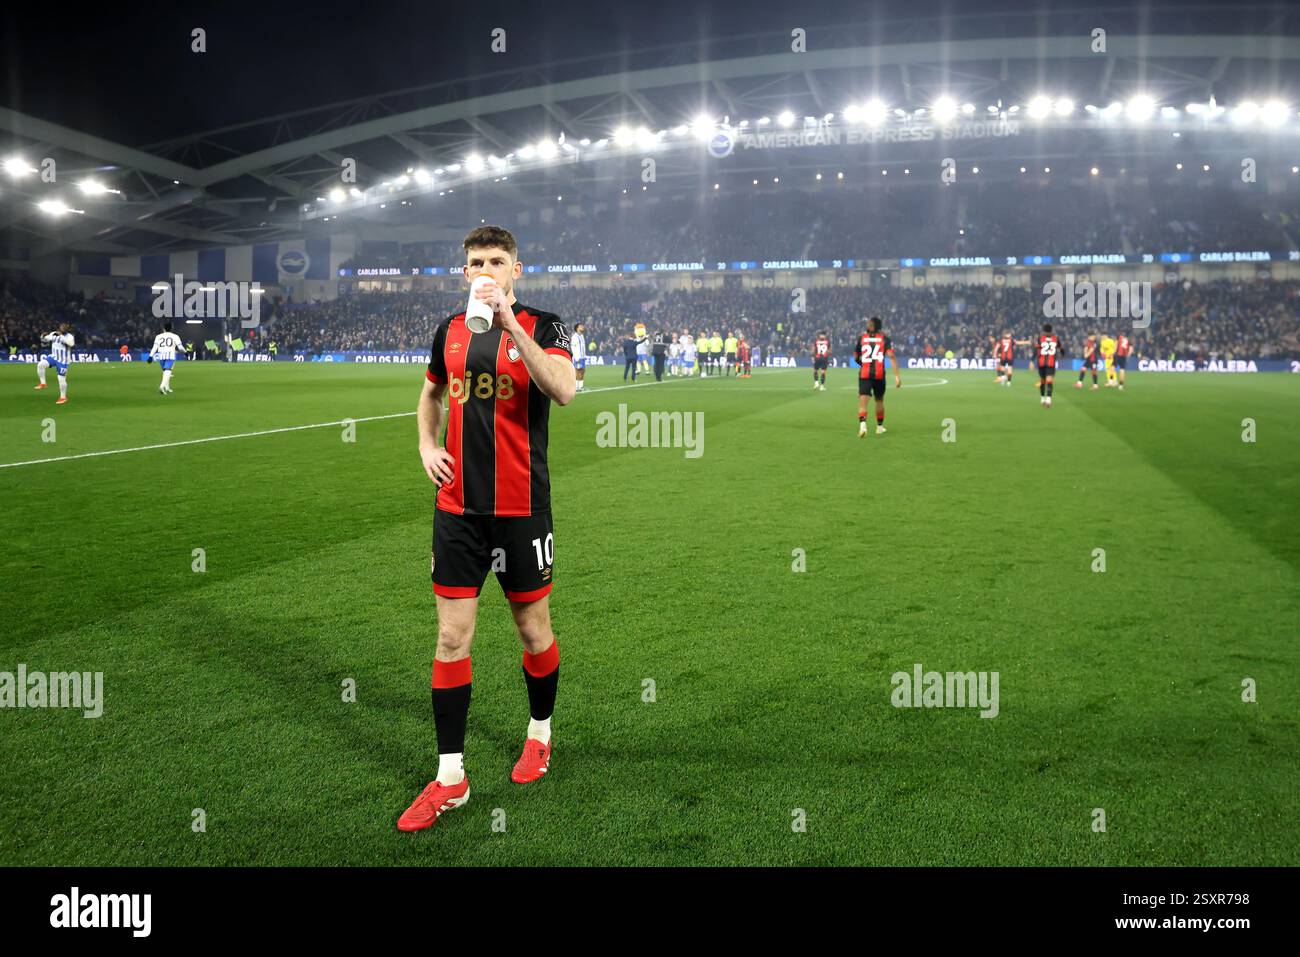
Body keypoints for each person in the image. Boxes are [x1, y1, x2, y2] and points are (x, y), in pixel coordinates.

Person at [402, 225, 575, 833]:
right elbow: (430, 394)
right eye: (476, 262)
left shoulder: (547, 325)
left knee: (532, 629)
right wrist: (427, 444)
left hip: (523, 508)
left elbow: (564, 391)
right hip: (458, 512)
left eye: (496, 262)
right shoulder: (447, 331)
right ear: (464, 269)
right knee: (451, 639)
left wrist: (511, 325)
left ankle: (539, 734)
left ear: (516, 269)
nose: (485, 270)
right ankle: (452, 778)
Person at [855, 317, 901, 437]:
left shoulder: (861, 338)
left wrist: (863, 365)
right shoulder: (885, 339)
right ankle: (879, 427)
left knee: (863, 402)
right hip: (879, 375)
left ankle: (863, 426)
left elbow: (856, 356)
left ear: (873, 326)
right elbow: (891, 356)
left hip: (865, 374)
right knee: (879, 401)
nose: (867, 325)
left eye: (869, 324)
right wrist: (897, 377)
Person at [35, 322, 74, 405]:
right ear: (59, 327)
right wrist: (43, 336)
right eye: (62, 326)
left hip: (63, 361)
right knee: (40, 365)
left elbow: (71, 344)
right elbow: (44, 340)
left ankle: (63, 397)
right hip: (53, 357)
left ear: (67, 329)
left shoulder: (69, 336)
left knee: (61, 379)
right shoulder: (54, 334)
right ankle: (43, 383)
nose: (63, 328)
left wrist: (61, 337)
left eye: (65, 327)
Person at [149, 321, 186, 394]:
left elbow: (154, 347)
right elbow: (180, 347)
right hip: (170, 355)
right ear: (172, 328)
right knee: (168, 370)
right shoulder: (175, 336)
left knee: (165, 371)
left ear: (163, 328)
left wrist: (150, 356)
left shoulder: (158, 336)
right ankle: (162, 386)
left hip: (161, 355)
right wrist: (186, 352)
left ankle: (167, 387)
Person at [571, 322, 587, 392]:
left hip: (583, 357)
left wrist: (585, 355)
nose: (582, 327)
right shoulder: (574, 336)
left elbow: (583, 347)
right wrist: (576, 357)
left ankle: (580, 386)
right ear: (577, 328)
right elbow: (572, 347)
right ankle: (576, 387)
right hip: (578, 357)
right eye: (581, 326)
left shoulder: (582, 336)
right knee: (578, 371)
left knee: (583, 371)